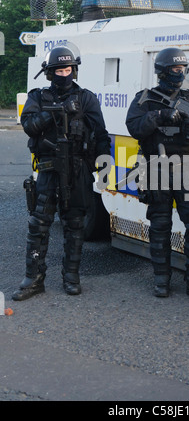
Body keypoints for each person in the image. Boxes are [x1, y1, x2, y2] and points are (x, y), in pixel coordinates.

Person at [12, 45, 111, 301]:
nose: (63, 74)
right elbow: (29, 127)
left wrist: (104, 168)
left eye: (67, 69)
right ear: (49, 73)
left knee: (75, 224)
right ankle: (33, 279)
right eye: (58, 70)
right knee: (39, 224)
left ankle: (71, 277)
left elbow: (100, 133)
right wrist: (52, 114)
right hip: (48, 168)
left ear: (74, 70)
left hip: (77, 169)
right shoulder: (38, 97)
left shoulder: (86, 98)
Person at [126, 47, 189, 301]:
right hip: (156, 168)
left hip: (188, 169)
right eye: (175, 69)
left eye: (182, 69)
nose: (179, 74)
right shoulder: (145, 99)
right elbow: (134, 127)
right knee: (160, 226)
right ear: (163, 71)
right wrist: (159, 116)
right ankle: (161, 280)